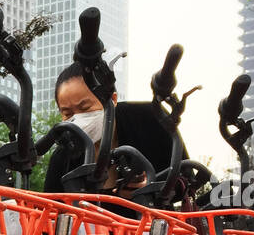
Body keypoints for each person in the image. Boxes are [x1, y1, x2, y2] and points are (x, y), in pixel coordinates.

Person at [43, 63, 184, 194]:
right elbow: (47, 210)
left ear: (113, 99)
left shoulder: (149, 118)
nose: (78, 119)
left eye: (85, 108)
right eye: (67, 113)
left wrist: (153, 187)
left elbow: (186, 179)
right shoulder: (62, 156)